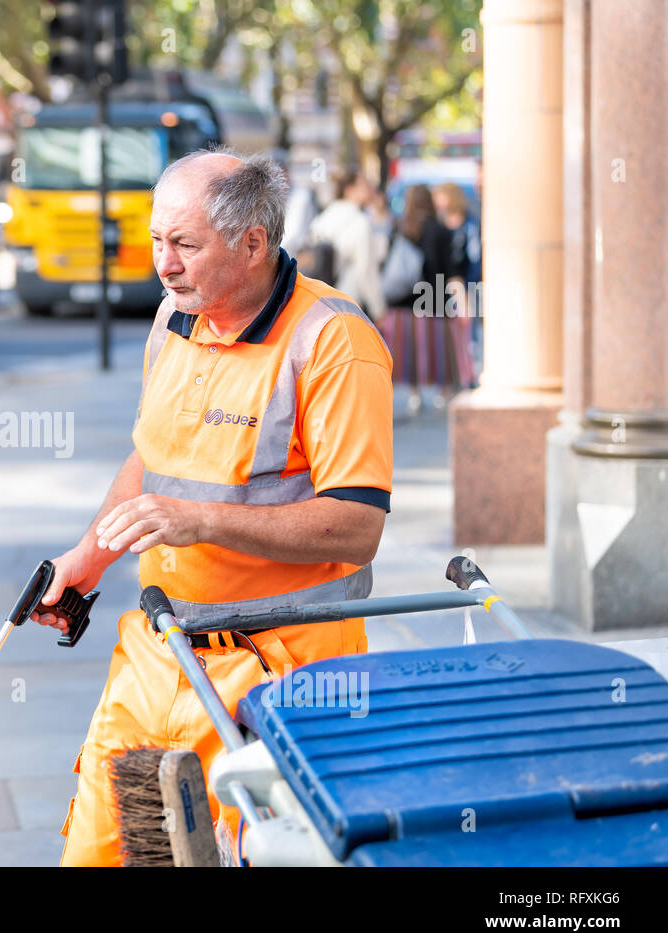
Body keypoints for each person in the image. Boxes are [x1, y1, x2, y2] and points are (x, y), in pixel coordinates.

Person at [39, 148, 393, 866]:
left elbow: (358, 529)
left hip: (281, 677)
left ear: (253, 243)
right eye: (156, 240)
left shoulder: (333, 340)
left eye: (184, 245)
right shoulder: (176, 316)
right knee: (96, 854)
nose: (161, 264)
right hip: (158, 651)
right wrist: (89, 555)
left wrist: (199, 522)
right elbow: (151, 460)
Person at [378, 184, 470, 412]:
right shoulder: (441, 230)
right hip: (433, 300)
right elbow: (450, 271)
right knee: (440, 349)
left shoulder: (400, 228)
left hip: (403, 302)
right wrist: (462, 300)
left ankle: (414, 394)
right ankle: (443, 391)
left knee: (410, 351)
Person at [308, 168, 385, 320]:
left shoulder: (323, 217)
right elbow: (365, 271)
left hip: (319, 302)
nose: (370, 189)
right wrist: (379, 310)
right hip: (348, 304)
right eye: (364, 185)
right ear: (349, 190)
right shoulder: (361, 222)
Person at [434, 182, 482, 385]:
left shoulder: (469, 224)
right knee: (450, 333)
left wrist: (468, 286)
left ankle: (469, 374)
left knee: (469, 330)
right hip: (445, 287)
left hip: (467, 285)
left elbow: (475, 258)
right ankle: (455, 376)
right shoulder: (440, 224)